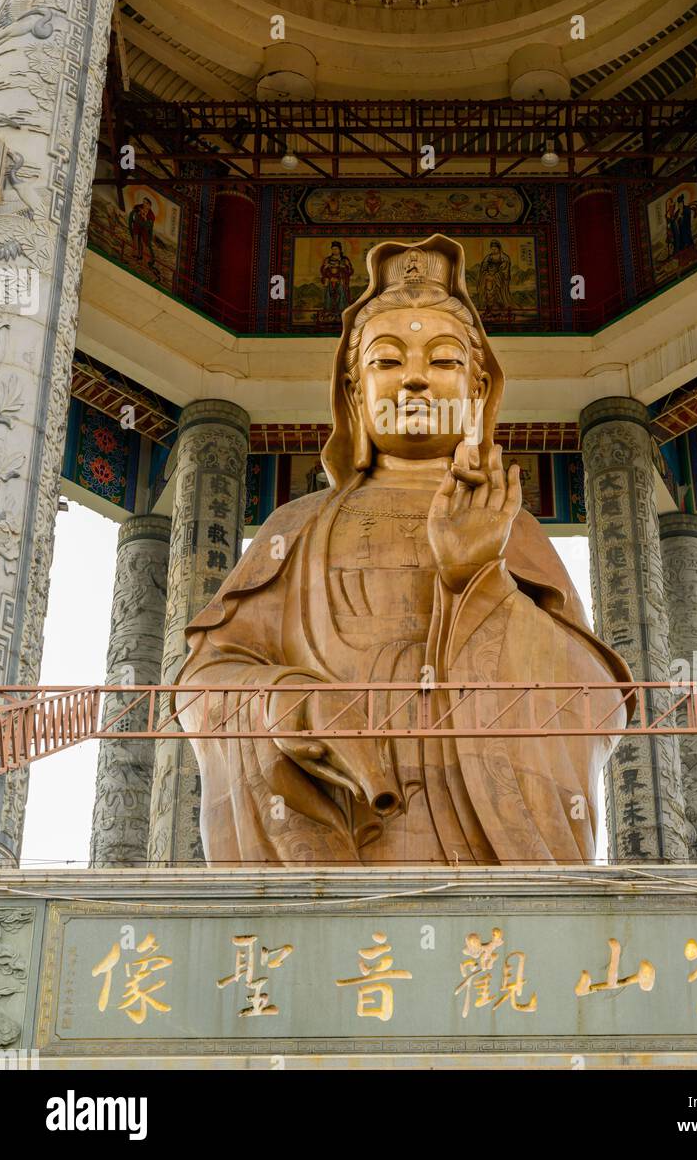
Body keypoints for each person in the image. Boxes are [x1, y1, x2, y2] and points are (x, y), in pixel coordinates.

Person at [174, 235, 631, 865]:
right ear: (356, 395)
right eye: (387, 362)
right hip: (332, 808)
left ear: (476, 395)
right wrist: (286, 702)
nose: (414, 377)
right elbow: (202, 683)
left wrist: (480, 580)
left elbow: (595, 704)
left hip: (470, 834)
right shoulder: (297, 526)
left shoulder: (510, 528)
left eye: (442, 362)